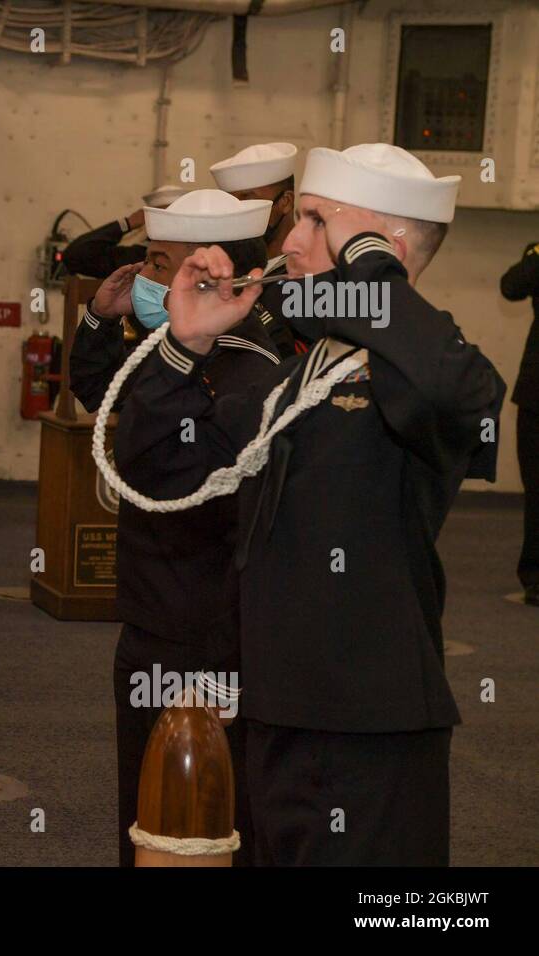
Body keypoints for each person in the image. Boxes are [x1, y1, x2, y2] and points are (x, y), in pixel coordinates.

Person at [114, 144, 505, 865]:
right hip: (272, 713)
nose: (288, 244)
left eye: (316, 222)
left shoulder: (429, 370)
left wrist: (369, 264)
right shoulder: (290, 382)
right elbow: (158, 473)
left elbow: (451, 393)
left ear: (375, 250)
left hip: (368, 724)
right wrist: (188, 344)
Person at [69, 189, 280, 866]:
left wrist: (223, 667)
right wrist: (102, 325)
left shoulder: (240, 374)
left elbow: (153, 466)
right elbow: (108, 403)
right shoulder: (187, 350)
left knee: (196, 814)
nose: (146, 280)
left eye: (161, 265)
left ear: (212, 276)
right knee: (149, 807)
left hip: (200, 638)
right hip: (161, 615)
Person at [210, 142, 300, 356]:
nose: (235, 210)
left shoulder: (309, 275)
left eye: (247, 198)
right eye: (230, 201)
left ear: (285, 202)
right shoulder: (223, 268)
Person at [500, 240, 539, 606]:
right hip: (536, 392)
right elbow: (510, 287)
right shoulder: (538, 253)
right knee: (537, 486)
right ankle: (536, 577)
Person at [61, 183, 185, 279]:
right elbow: (74, 256)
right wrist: (127, 224)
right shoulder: (136, 259)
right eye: (159, 215)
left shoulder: (198, 255)